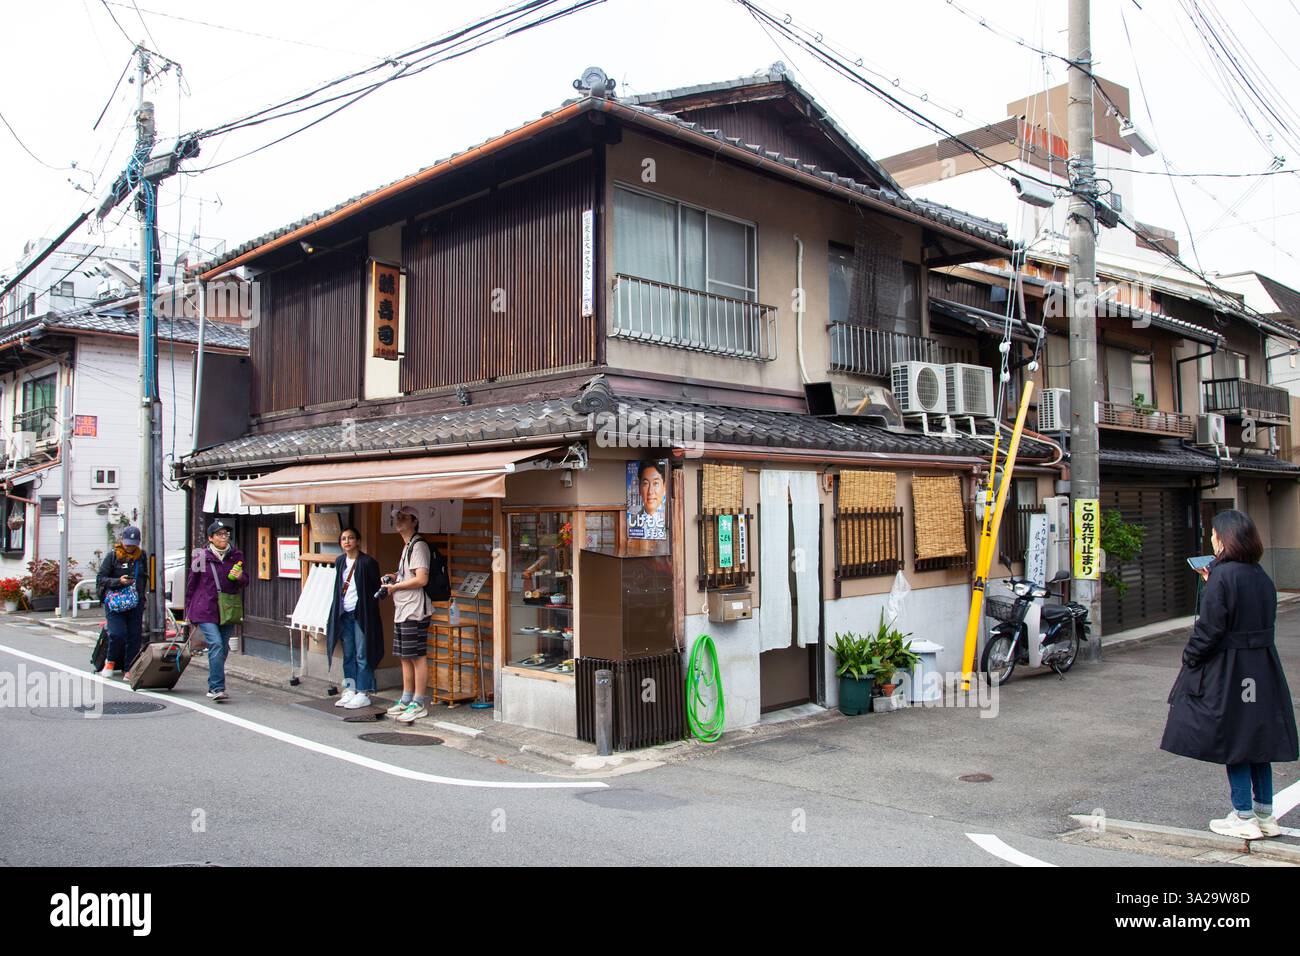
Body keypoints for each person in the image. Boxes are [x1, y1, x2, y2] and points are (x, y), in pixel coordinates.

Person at [1160, 509, 1298, 839]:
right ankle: (1265, 815)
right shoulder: (1259, 575)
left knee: (1233, 735)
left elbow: (1210, 629)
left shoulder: (1223, 577)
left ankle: (1243, 816)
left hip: (1230, 667)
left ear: (1224, 539)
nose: (1211, 538)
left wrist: (1190, 657)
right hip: (1261, 667)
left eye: (1213, 534)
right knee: (1256, 736)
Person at [185, 518, 250, 701]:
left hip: (227, 609)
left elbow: (246, 580)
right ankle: (216, 688)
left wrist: (240, 577)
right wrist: (188, 611)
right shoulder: (201, 557)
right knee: (216, 644)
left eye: (226, 534)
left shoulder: (236, 556)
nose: (224, 537)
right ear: (211, 538)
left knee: (222, 649)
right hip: (204, 608)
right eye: (220, 535)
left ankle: (213, 683)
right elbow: (191, 584)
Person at [383, 506, 432, 723]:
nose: (399, 521)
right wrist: (393, 577)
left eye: (403, 517)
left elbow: (422, 579)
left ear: (414, 520)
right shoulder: (407, 546)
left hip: (414, 608)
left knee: (417, 655)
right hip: (403, 607)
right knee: (405, 655)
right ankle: (406, 698)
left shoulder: (419, 546)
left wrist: (396, 587)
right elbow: (409, 574)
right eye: (397, 517)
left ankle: (419, 701)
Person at [325, 527, 383, 710]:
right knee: (348, 654)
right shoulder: (340, 561)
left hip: (362, 614)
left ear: (358, 541)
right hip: (344, 613)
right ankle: (350, 689)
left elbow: (375, 589)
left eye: (351, 538)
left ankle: (363, 691)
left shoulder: (367, 562)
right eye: (343, 539)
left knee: (361, 653)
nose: (347, 541)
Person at [96, 525, 147, 677]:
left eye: (133, 544)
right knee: (117, 633)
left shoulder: (142, 556)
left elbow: (146, 577)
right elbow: (101, 579)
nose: (129, 547)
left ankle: (129, 668)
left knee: (134, 636)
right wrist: (119, 581)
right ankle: (110, 661)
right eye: (127, 543)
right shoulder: (112, 556)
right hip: (115, 602)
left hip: (135, 601)